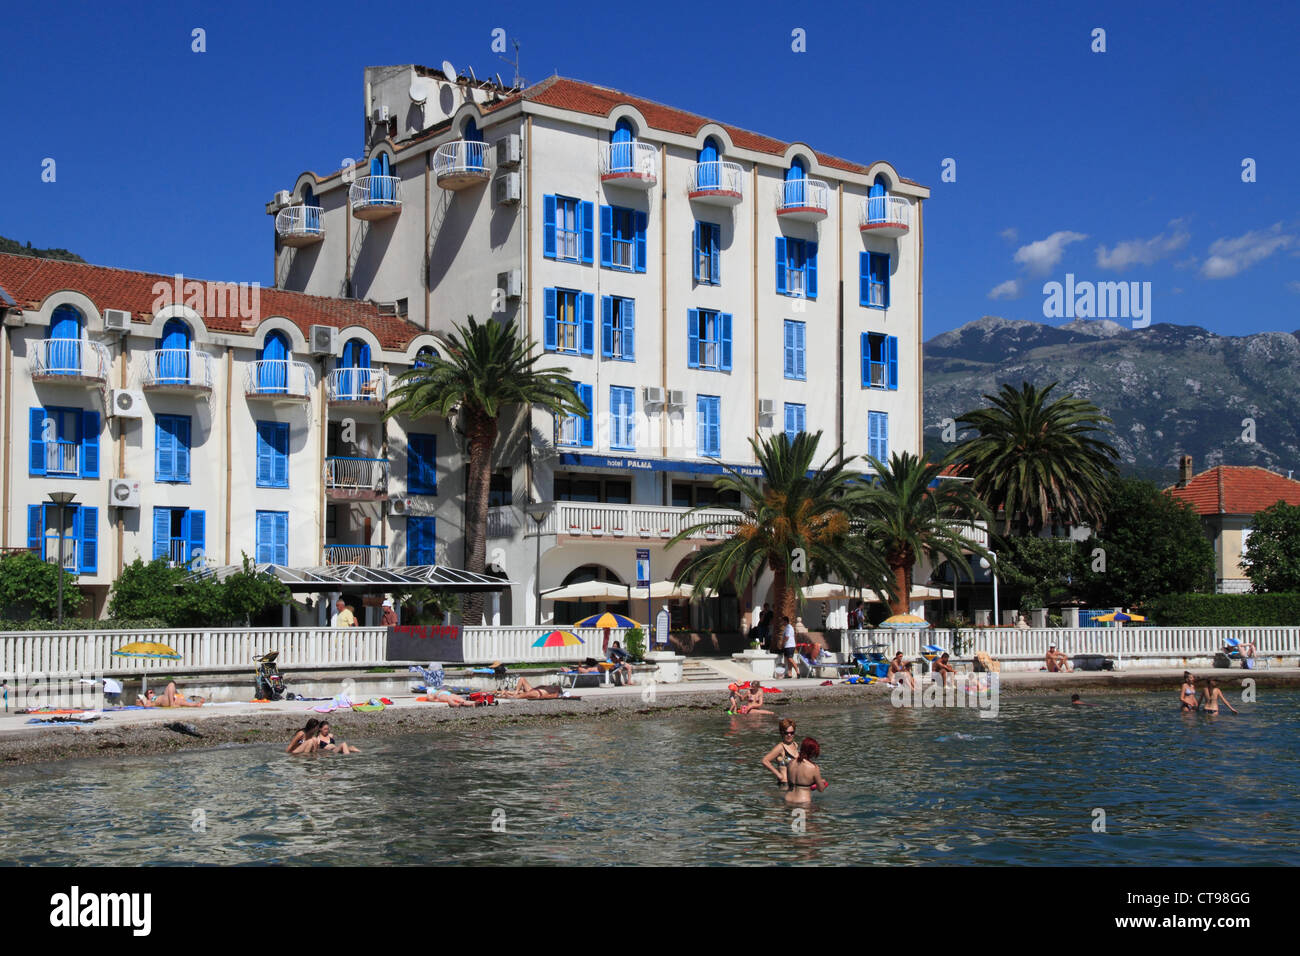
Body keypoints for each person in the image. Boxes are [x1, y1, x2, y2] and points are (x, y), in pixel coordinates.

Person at [785, 737, 828, 804]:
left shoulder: (790, 763)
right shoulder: (813, 768)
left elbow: (790, 783)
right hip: (803, 802)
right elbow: (821, 789)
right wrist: (822, 782)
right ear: (812, 752)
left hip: (788, 799)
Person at [762, 719, 800, 786]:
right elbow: (765, 761)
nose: (789, 735)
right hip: (784, 784)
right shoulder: (780, 747)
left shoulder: (795, 745)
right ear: (781, 733)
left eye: (792, 733)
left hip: (795, 784)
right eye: (786, 733)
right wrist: (778, 775)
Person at [138, 681, 205, 707]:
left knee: (181, 701)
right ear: (148, 696)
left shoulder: (156, 697)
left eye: (152, 692)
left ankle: (196, 704)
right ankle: (172, 704)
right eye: (150, 692)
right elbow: (145, 704)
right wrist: (143, 701)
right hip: (165, 701)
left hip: (170, 699)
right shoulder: (151, 700)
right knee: (171, 684)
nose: (152, 693)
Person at [499, 677, 564, 700]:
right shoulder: (551, 688)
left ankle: (513, 696)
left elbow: (553, 696)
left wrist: (542, 697)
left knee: (522, 695)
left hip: (538, 693)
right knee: (522, 679)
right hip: (534, 690)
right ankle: (513, 693)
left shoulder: (555, 692)